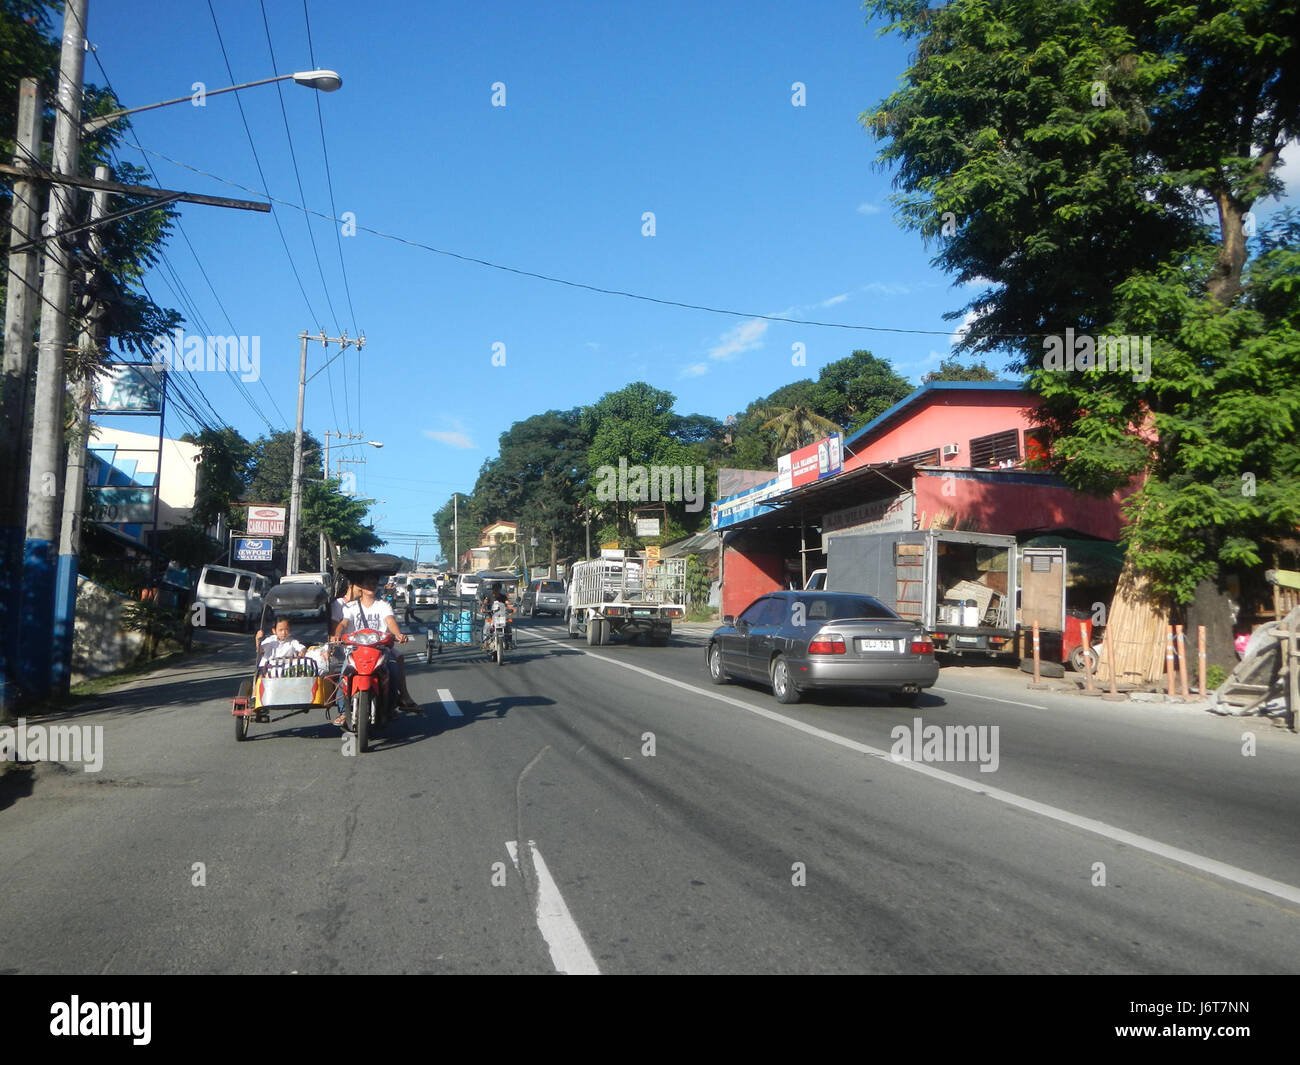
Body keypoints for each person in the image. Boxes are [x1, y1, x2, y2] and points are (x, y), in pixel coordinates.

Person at [333, 573, 419, 715]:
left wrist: (398, 634)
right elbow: (343, 623)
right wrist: (337, 635)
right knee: (344, 676)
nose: (371, 587)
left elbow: (390, 621)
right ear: (361, 588)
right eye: (368, 584)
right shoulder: (350, 607)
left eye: (374, 584)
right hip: (355, 650)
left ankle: (402, 697)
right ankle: (343, 712)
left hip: (380, 649)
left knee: (394, 668)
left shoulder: (383, 605)